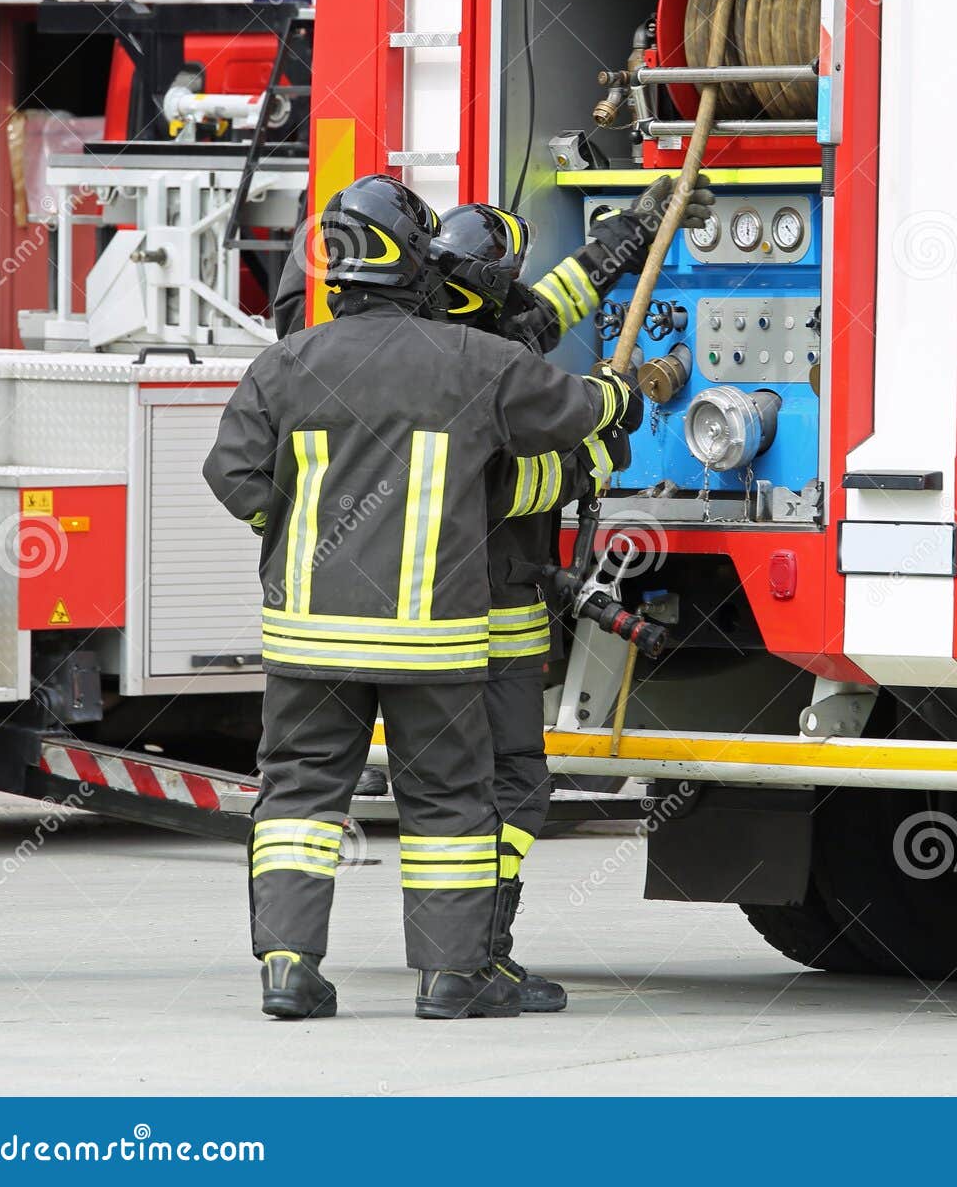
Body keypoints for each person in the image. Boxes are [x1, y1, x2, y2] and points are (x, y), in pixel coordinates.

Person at [203, 175, 641, 1021]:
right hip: (432, 641)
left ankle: (288, 970)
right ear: (415, 262)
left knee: (298, 795)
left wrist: (292, 527)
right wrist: (621, 397)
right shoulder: (473, 361)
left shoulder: (285, 363)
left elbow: (233, 474)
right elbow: (572, 409)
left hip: (307, 636)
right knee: (447, 800)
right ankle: (450, 978)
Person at [428, 173, 714, 1012]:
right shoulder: (484, 364)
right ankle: (474, 959)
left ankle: (463, 959)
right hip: (490, 617)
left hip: (426, 622)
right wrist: (593, 453)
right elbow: (493, 490)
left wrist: (638, 228)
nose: (524, 296)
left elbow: (562, 293)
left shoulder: (439, 337)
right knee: (511, 784)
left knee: (458, 790)